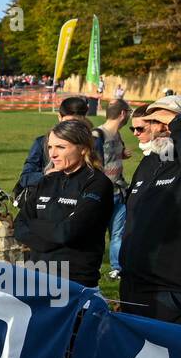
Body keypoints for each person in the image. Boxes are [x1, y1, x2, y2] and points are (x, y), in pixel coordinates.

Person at [120, 95, 181, 322]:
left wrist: (178, 124)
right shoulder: (149, 163)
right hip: (133, 282)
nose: (159, 126)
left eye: (167, 120)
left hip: (171, 288)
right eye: (154, 120)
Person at [14, 119, 114, 288]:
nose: (52, 154)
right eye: (50, 147)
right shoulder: (47, 180)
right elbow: (18, 226)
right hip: (35, 276)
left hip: (74, 282)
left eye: (61, 147)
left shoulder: (97, 183)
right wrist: (52, 235)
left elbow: (67, 232)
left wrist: (35, 227)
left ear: (83, 149)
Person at [18, 96, 97, 190]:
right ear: (59, 117)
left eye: (76, 122)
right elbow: (25, 178)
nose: (72, 127)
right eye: (68, 122)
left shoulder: (93, 142)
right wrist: (47, 175)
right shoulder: (42, 142)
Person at [96, 99, 132, 280]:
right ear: (123, 114)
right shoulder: (98, 134)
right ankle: (93, 266)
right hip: (102, 195)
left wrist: (122, 155)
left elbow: (112, 158)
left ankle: (117, 268)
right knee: (98, 234)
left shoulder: (117, 135)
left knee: (118, 234)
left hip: (119, 191)